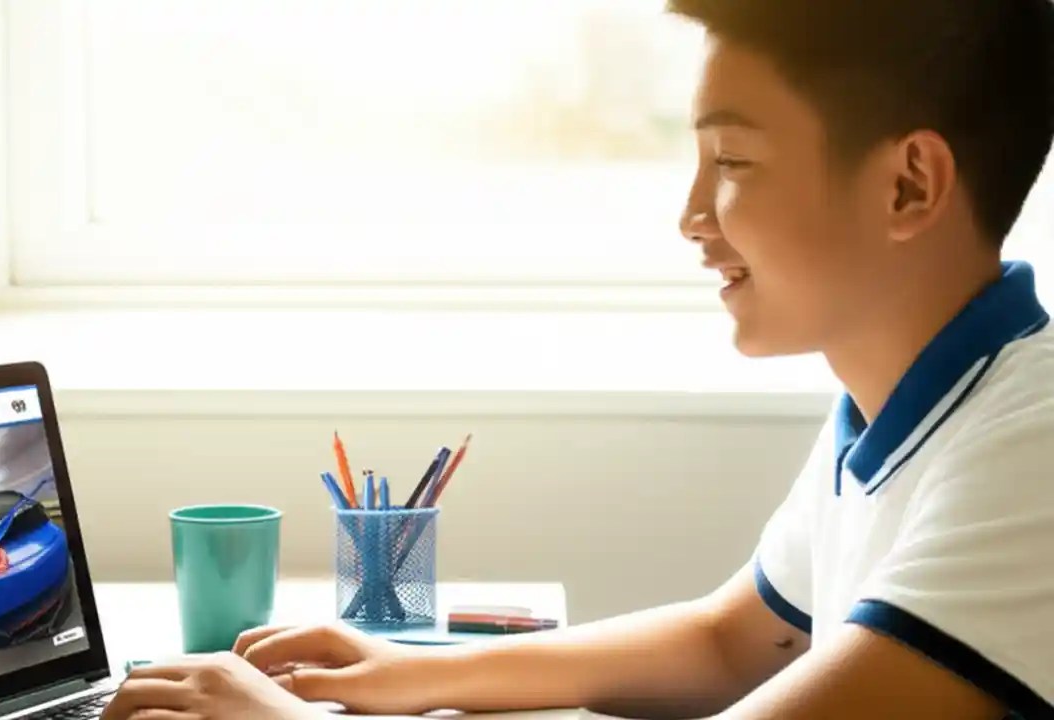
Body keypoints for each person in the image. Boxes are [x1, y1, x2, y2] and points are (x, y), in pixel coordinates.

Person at [101, 1, 1054, 718]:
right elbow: (732, 641)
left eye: (732, 163)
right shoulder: (899, 407)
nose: (690, 215)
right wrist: (413, 672)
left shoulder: (1031, 457)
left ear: (908, 184)